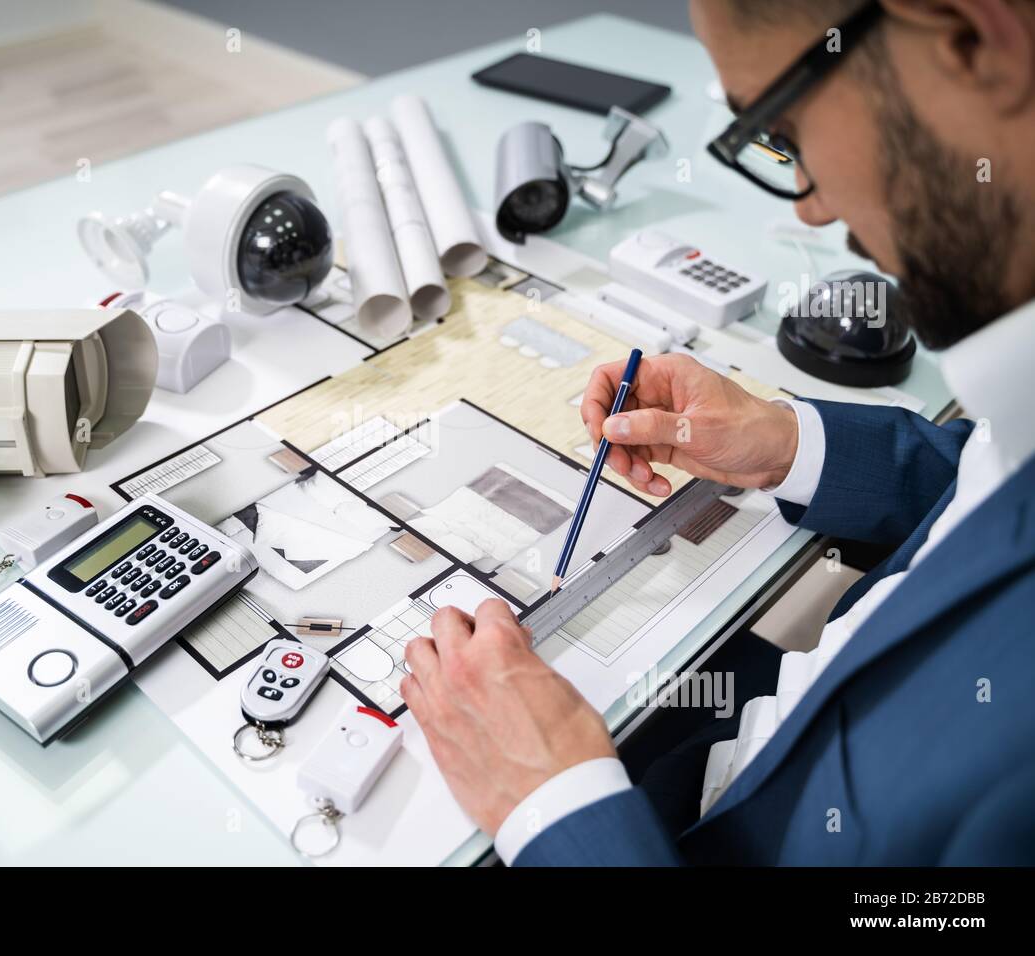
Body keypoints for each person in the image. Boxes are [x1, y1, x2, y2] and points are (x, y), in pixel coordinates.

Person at [401, 0, 1035, 865]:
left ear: (968, 37)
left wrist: (557, 807)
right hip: (759, 732)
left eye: (783, 129)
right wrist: (787, 441)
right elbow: (993, 486)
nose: (812, 211)